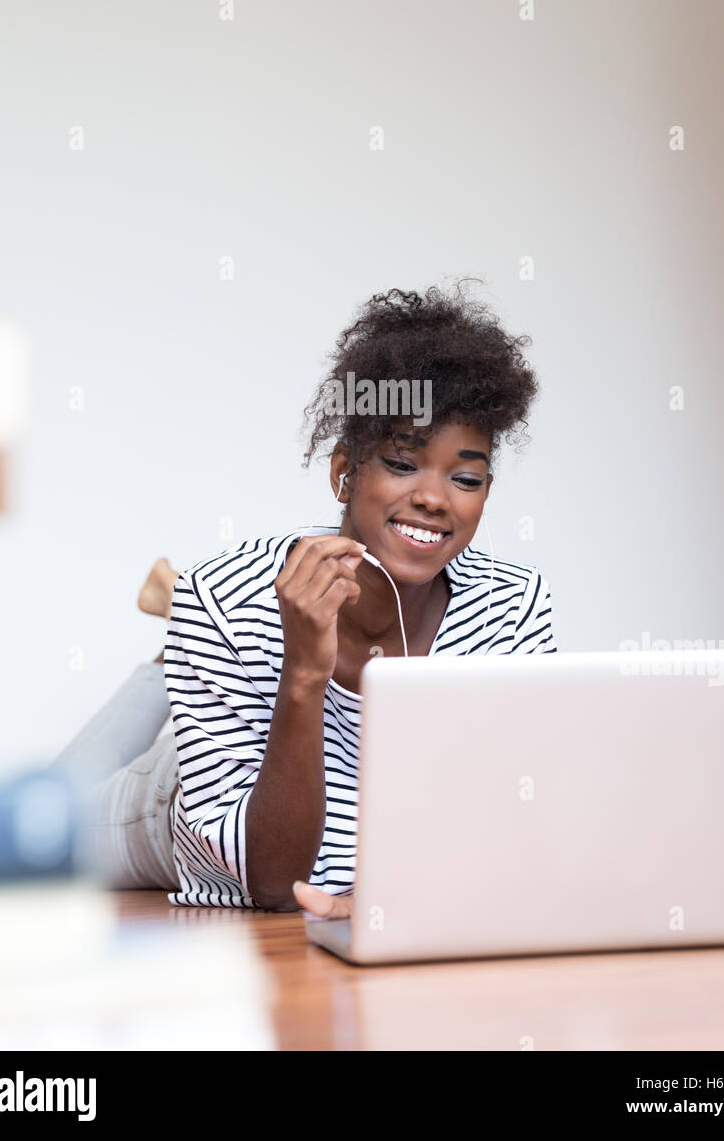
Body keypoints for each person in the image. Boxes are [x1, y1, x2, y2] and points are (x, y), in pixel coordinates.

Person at [52, 283, 556, 919]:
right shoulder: (230, 598)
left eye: (465, 478)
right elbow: (273, 885)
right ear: (345, 471)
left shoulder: (511, 608)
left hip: (244, 710)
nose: (435, 498)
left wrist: (399, 901)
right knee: (33, 836)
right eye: (403, 464)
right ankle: (175, 640)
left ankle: (171, 628)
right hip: (195, 801)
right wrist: (302, 675)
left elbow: (512, 825)